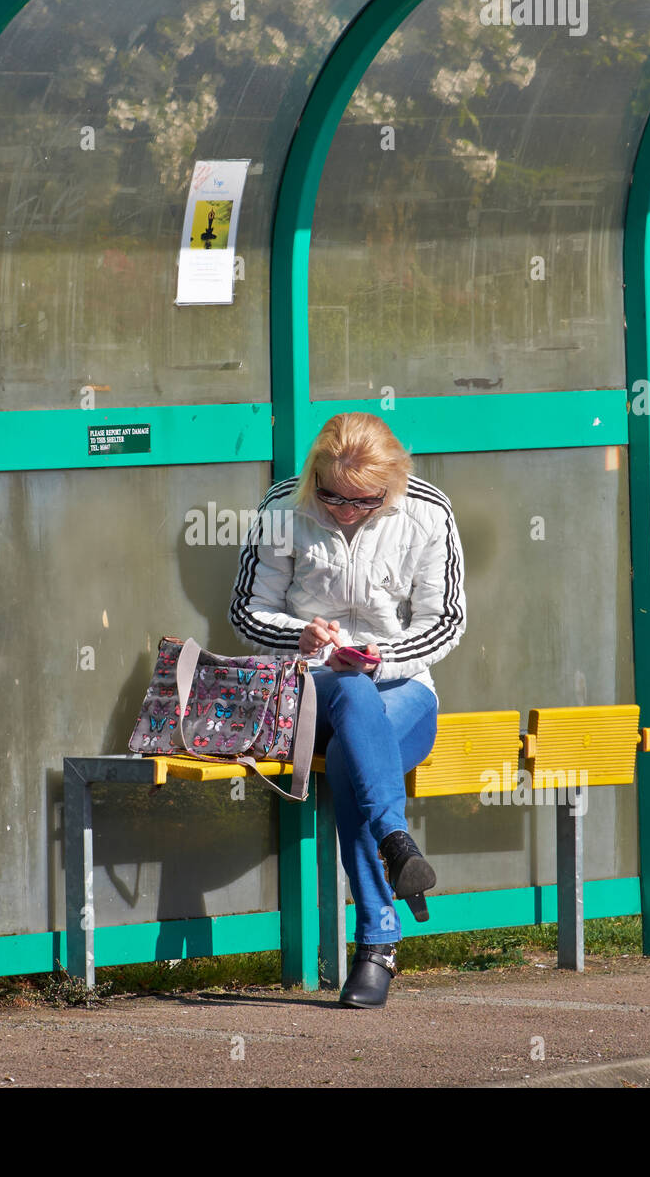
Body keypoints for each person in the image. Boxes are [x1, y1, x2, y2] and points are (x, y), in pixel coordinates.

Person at [229, 412, 467, 1007]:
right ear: (315, 476)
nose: (342, 510)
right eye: (331, 495)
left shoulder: (430, 512)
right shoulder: (283, 507)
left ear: (392, 488)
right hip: (312, 689)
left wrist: (381, 657)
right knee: (350, 703)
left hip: (402, 688)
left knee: (354, 750)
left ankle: (379, 934)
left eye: (361, 502)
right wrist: (300, 638)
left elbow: (446, 621)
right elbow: (247, 611)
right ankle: (391, 865)